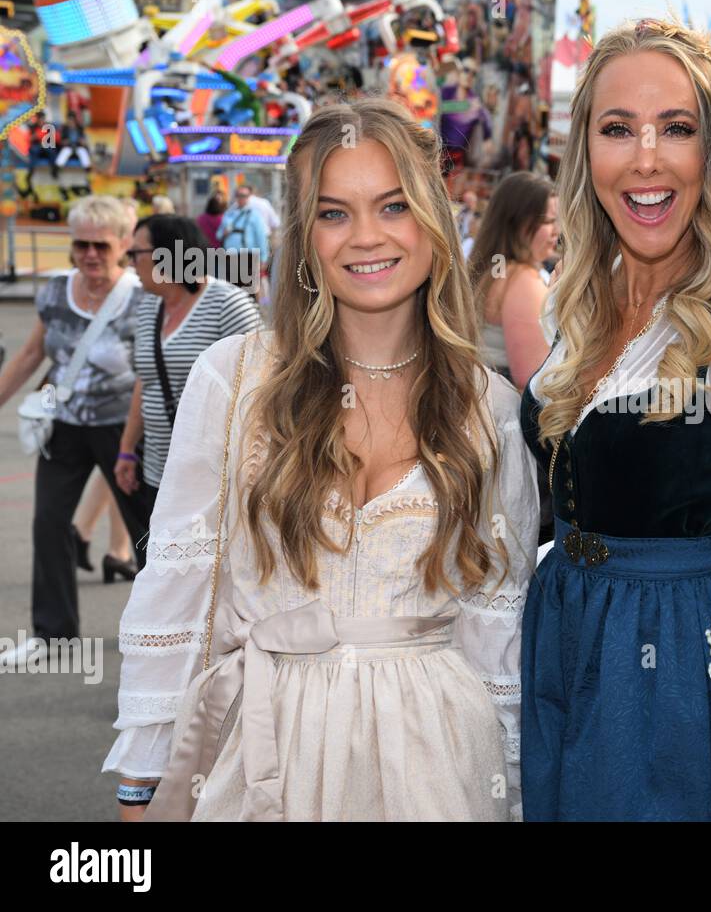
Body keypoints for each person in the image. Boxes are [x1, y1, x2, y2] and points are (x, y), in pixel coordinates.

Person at [103, 98, 538, 821]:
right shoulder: (234, 379)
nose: (365, 236)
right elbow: (177, 590)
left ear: (433, 217)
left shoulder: (487, 409)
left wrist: (514, 788)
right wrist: (142, 782)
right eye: (334, 213)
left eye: (393, 206)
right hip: (269, 746)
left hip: (439, 759)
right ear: (304, 235)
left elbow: (498, 630)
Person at [519, 19, 711, 821]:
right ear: (586, 150)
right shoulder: (574, 297)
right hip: (563, 637)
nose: (647, 157)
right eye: (618, 128)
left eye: (678, 129)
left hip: (684, 672)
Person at [0, 197, 151, 668]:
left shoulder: (140, 297)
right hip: (64, 425)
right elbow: (30, 355)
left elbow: (149, 371)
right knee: (48, 523)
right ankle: (55, 636)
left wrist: (133, 441)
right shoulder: (55, 291)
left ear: (124, 245)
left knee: (149, 531)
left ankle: (162, 634)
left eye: (100, 245)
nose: (89, 254)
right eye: (81, 244)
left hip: (123, 428)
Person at [114, 214, 263, 520]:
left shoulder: (228, 304)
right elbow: (147, 381)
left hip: (215, 479)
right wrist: (127, 448)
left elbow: (263, 384)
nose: (130, 263)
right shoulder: (149, 308)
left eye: (135, 253)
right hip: (158, 473)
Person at [468, 171, 557, 388]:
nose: (557, 231)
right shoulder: (521, 280)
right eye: (549, 221)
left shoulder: (492, 268)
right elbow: (533, 380)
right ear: (521, 225)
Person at [216, 186, 271, 294]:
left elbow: (261, 238)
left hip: (248, 257)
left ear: (248, 197)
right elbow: (218, 235)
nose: (241, 198)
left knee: (249, 292)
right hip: (230, 257)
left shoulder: (255, 215)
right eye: (239, 195)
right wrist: (224, 233)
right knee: (232, 291)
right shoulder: (229, 214)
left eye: (244, 196)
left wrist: (263, 258)